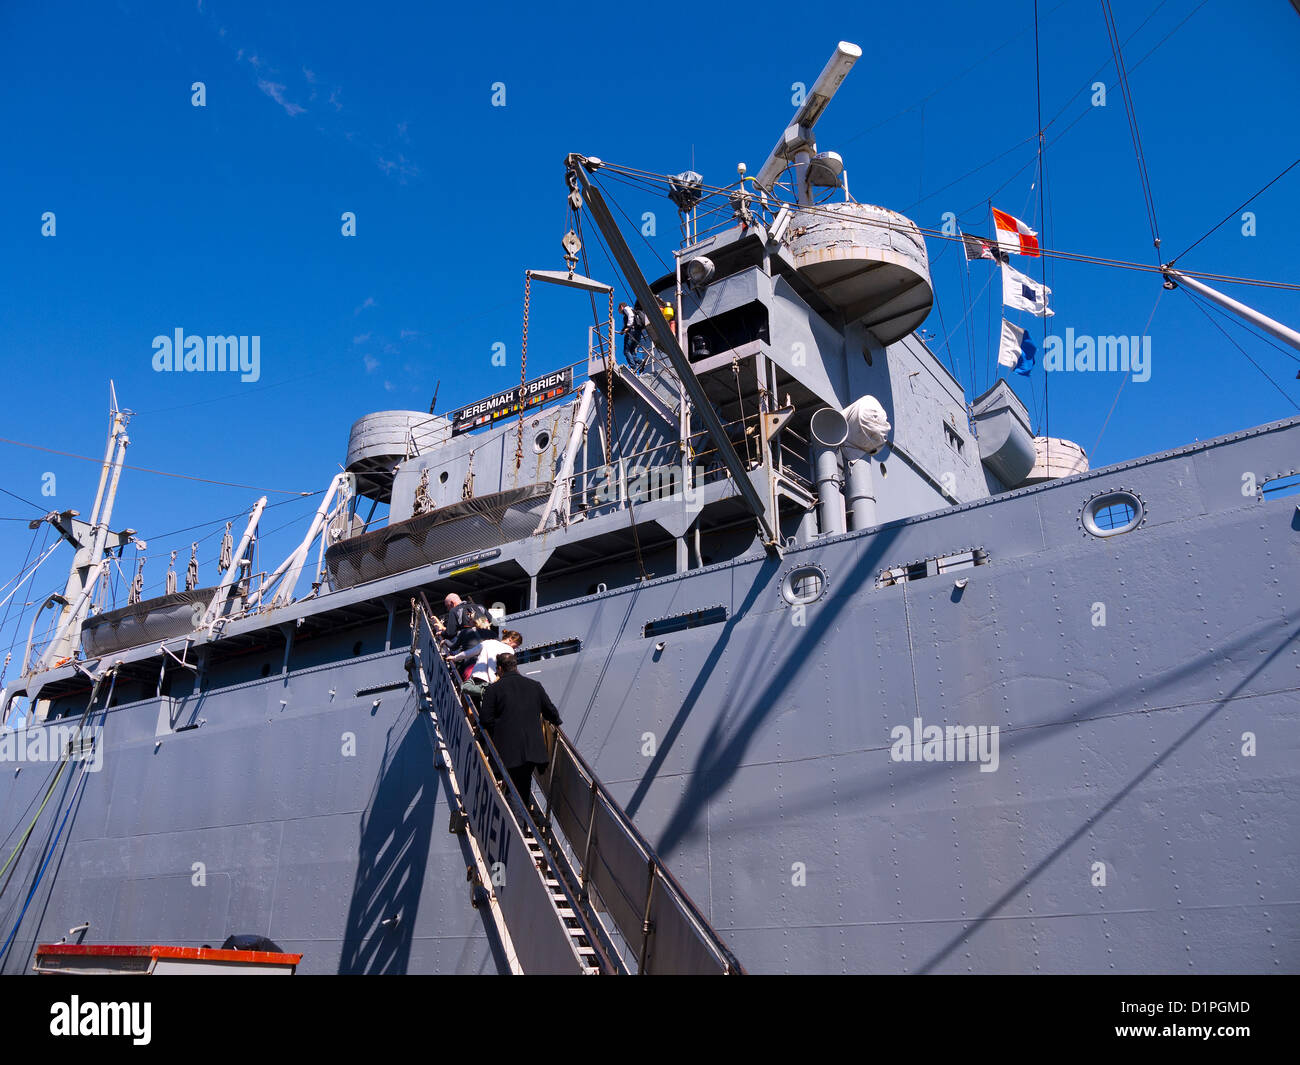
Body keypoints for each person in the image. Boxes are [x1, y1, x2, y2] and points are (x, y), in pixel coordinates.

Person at [479, 651, 561, 811]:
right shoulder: (534, 685)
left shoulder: (493, 689)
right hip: (533, 749)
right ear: (515, 666)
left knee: (512, 789)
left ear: (500, 669)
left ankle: (519, 824)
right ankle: (523, 823)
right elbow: (552, 713)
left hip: (507, 749)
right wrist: (556, 723)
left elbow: (485, 719)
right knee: (523, 785)